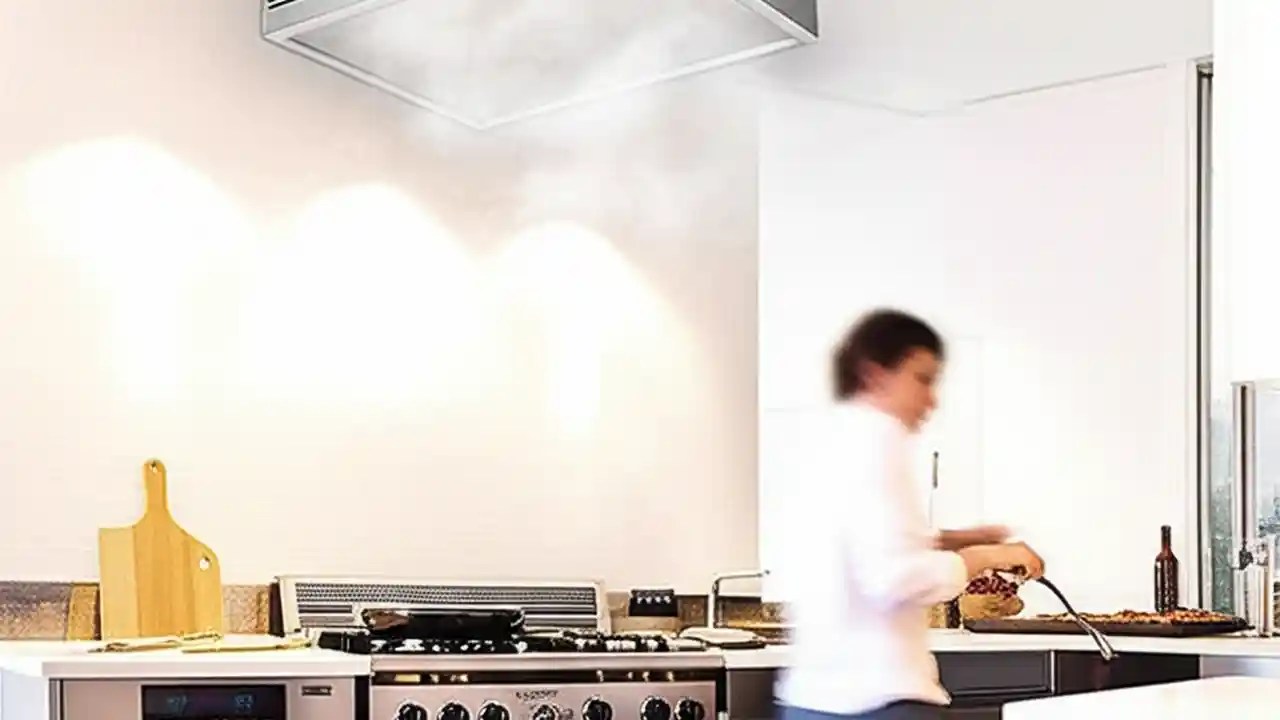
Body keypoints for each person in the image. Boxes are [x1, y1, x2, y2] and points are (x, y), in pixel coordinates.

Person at [774, 309, 1046, 720]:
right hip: (878, 698)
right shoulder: (880, 439)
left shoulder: (825, 438)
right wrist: (987, 558)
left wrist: (956, 540)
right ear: (874, 374)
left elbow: (867, 543)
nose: (932, 399)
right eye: (922, 379)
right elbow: (890, 577)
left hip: (812, 700)